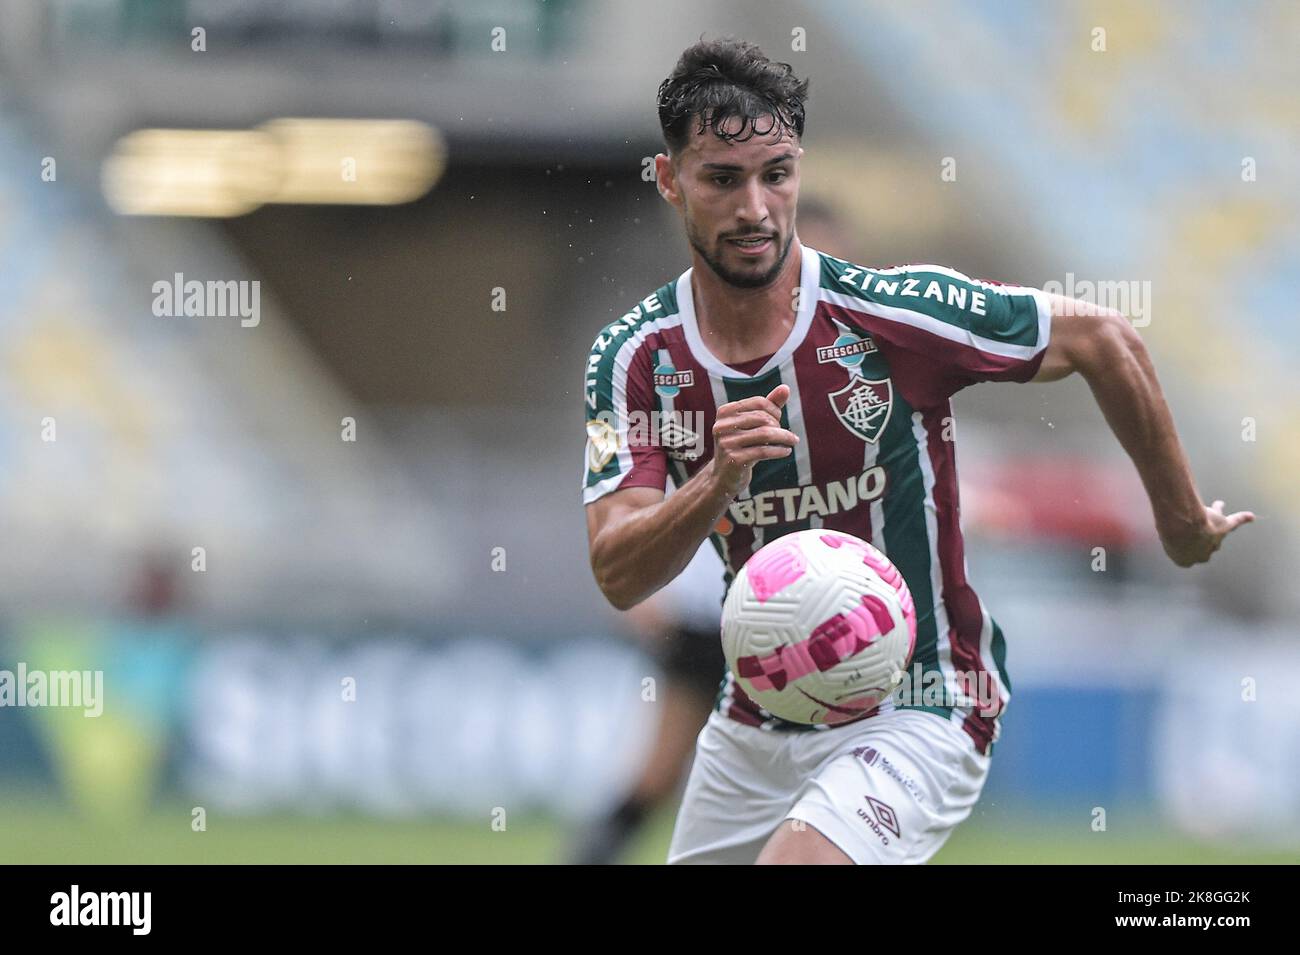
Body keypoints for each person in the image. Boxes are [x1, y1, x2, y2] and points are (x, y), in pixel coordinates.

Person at [580, 37, 1253, 864]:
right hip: (761, 710)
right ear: (670, 179)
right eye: (723, 178)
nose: (756, 207)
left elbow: (1103, 338)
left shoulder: (888, 314)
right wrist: (715, 481)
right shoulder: (637, 358)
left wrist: (1181, 519)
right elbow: (617, 571)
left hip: (923, 697)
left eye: (777, 174)